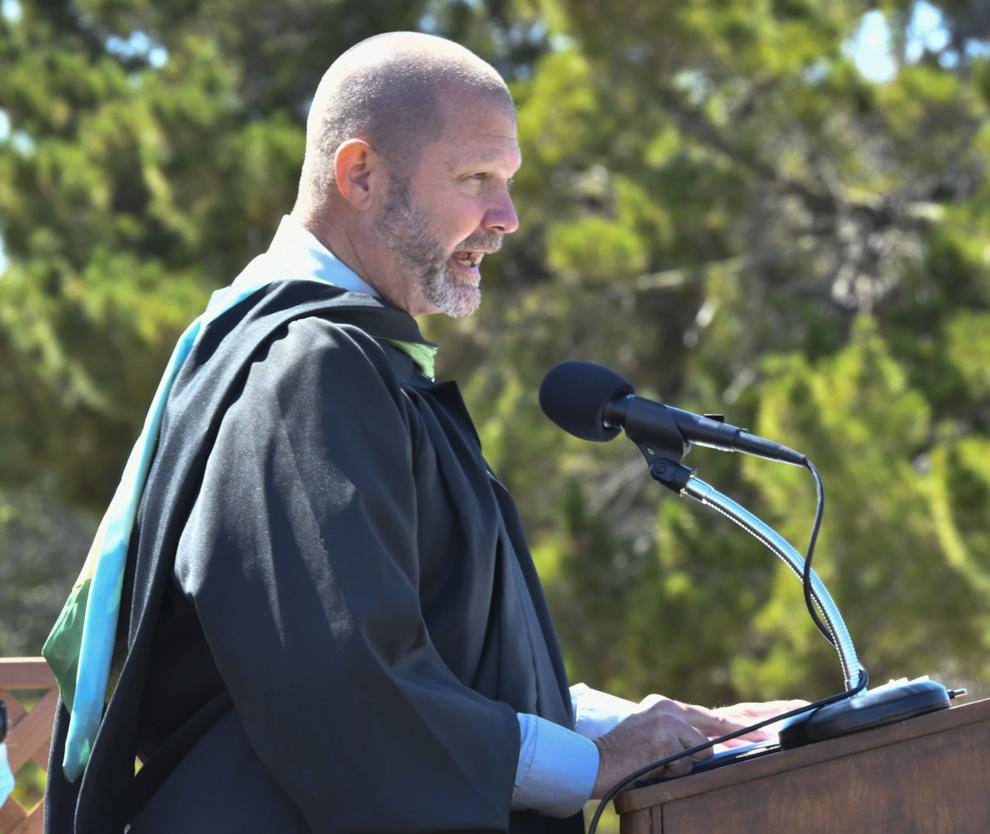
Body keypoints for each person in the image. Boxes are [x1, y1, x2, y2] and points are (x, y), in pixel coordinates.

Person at [43, 32, 800, 834]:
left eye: (508, 182)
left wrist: (640, 729)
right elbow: (345, 688)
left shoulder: (339, 358)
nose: (506, 219)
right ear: (360, 174)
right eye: (476, 179)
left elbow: (435, 675)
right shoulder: (306, 368)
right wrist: (594, 764)